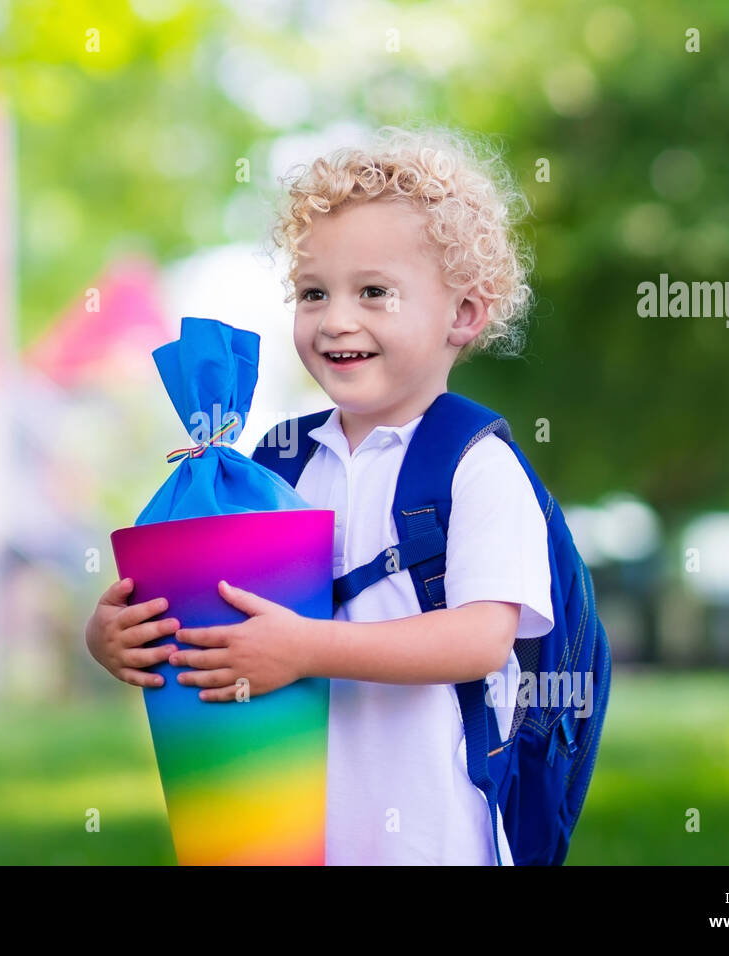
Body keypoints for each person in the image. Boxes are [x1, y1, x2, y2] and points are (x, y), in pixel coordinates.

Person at [85, 123, 553, 864]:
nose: (336, 319)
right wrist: (120, 636)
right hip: (293, 829)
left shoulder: (475, 466)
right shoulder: (275, 465)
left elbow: (481, 639)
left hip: (433, 833)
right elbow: (222, 615)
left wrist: (305, 648)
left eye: (374, 292)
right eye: (313, 292)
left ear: (463, 313)